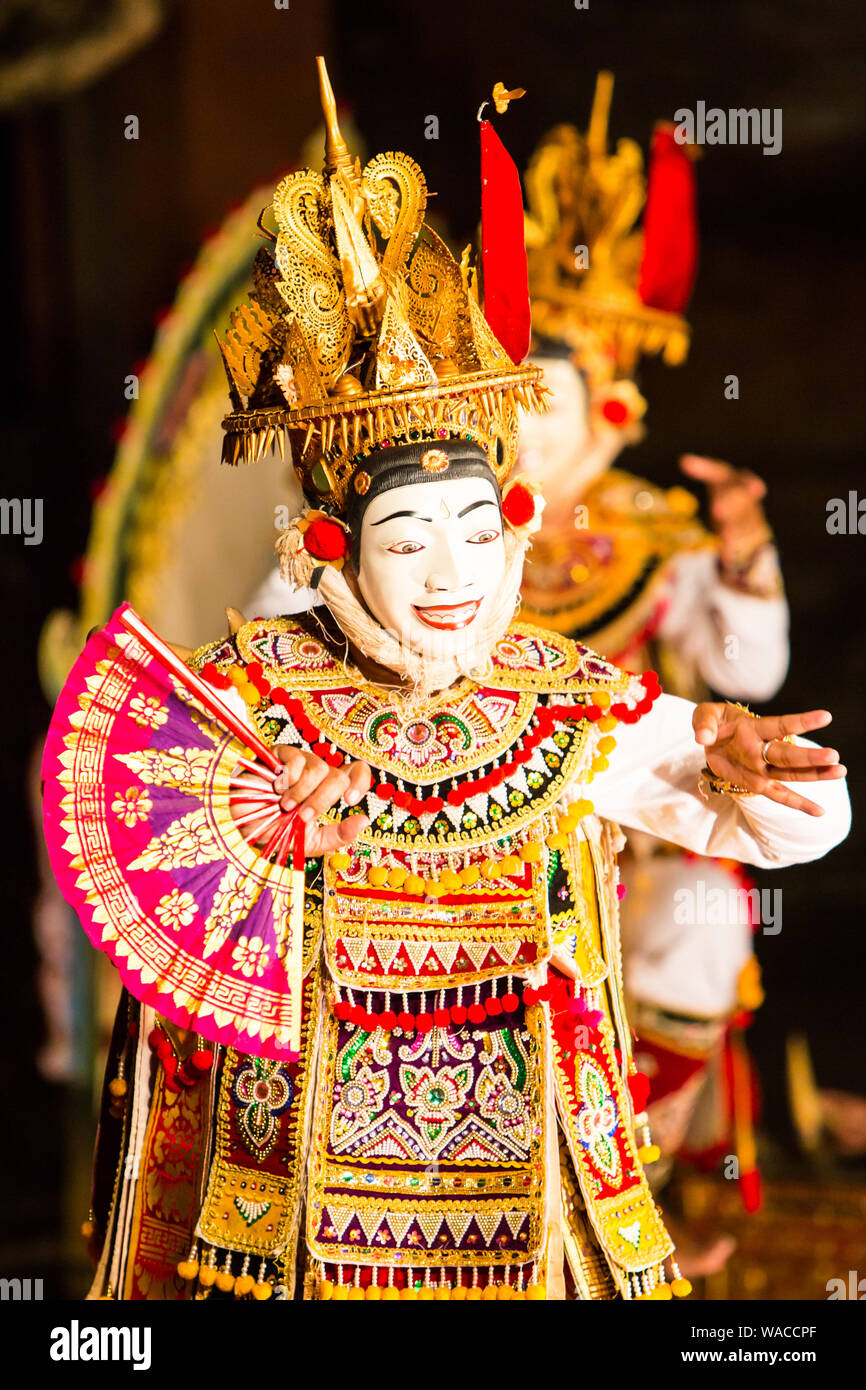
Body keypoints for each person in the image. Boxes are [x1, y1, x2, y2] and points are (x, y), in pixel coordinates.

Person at [62, 60, 849, 1302]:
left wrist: (749, 771)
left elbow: (798, 822)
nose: (452, 575)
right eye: (408, 536)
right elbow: (157, 881)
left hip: (526, 1209)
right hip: (300, 1203)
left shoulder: (560, 693)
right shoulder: (248, 695)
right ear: (333, 544)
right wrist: (269, 836)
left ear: (518, 524)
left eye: (479, 531)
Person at [516, 75, 791, 1258]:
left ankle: (625, 1188)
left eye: (551, 399)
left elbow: (748, 673)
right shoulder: (452, 533)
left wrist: (739, 557)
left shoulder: (648, 535)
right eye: (511, 396)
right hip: (485, 836)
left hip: (624, 837)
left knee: (696, 908)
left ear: (611, 409)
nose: (527, 423)